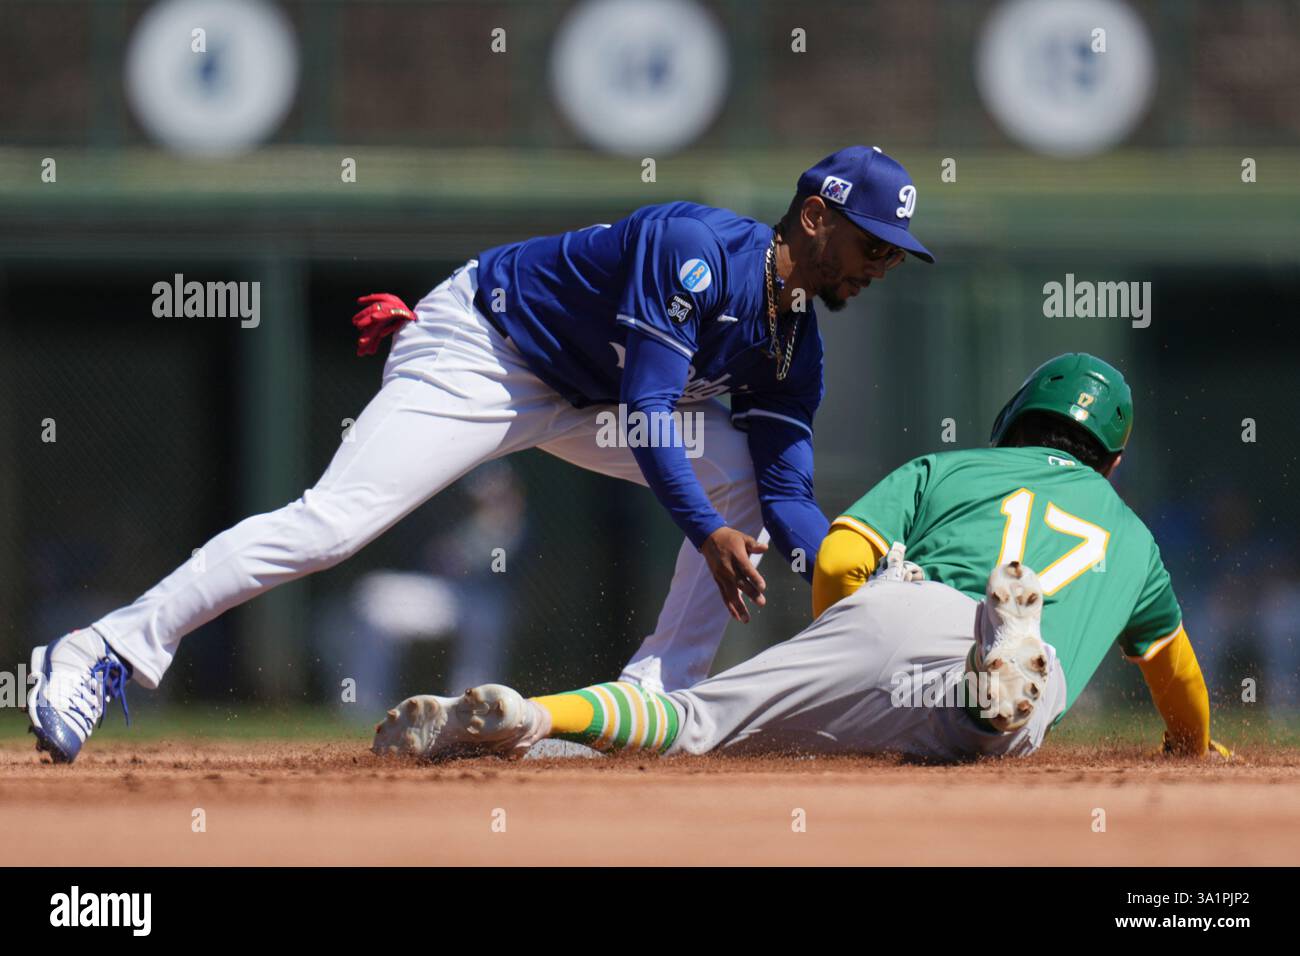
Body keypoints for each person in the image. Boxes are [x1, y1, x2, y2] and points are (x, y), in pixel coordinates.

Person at [27, 145, 934, 763]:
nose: (882, 265)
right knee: (332, 526)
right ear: (817, 217)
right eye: (873, 244)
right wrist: (705, 533)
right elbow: (652, 410)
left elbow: (781, 489)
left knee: (739, 464)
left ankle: (650, 699)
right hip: (485, 354)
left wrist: (846, 563)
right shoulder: (699, 251)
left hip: (587, 402)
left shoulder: (795, 347)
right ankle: (102, 649)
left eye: (896, 256)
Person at [372, 354, 1233, 763]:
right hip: (1004, 674)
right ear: (1112, 462)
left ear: (1011, 422)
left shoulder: (949, 466)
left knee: (694, 721)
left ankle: (532, 716)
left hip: (892, 610)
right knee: (988, 724)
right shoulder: (1138, 541)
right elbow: (1177, 677)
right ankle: (992, 679)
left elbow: (839, 560)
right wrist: (1194, 747)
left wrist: (851, 642)